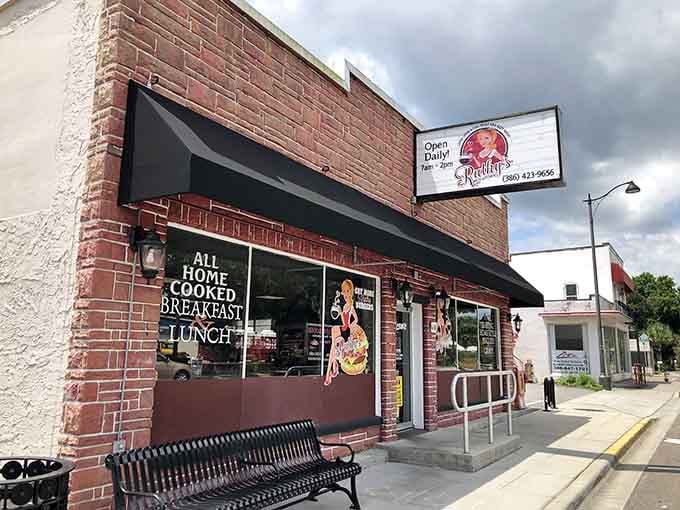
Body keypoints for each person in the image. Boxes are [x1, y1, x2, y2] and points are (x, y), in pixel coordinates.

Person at [324, 279, 359, 386]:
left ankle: (330, 371)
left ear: (351, 292)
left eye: (347, 291)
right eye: (344, 290)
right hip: (343, 328)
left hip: (347, 331)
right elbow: (343, 321)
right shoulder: (344, 306)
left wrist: (352, 326)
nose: (345, 293)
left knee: (333, 347)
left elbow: (356, 319)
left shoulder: (351, 306)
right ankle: (333, 369)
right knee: (333, 346)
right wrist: (339, 312)